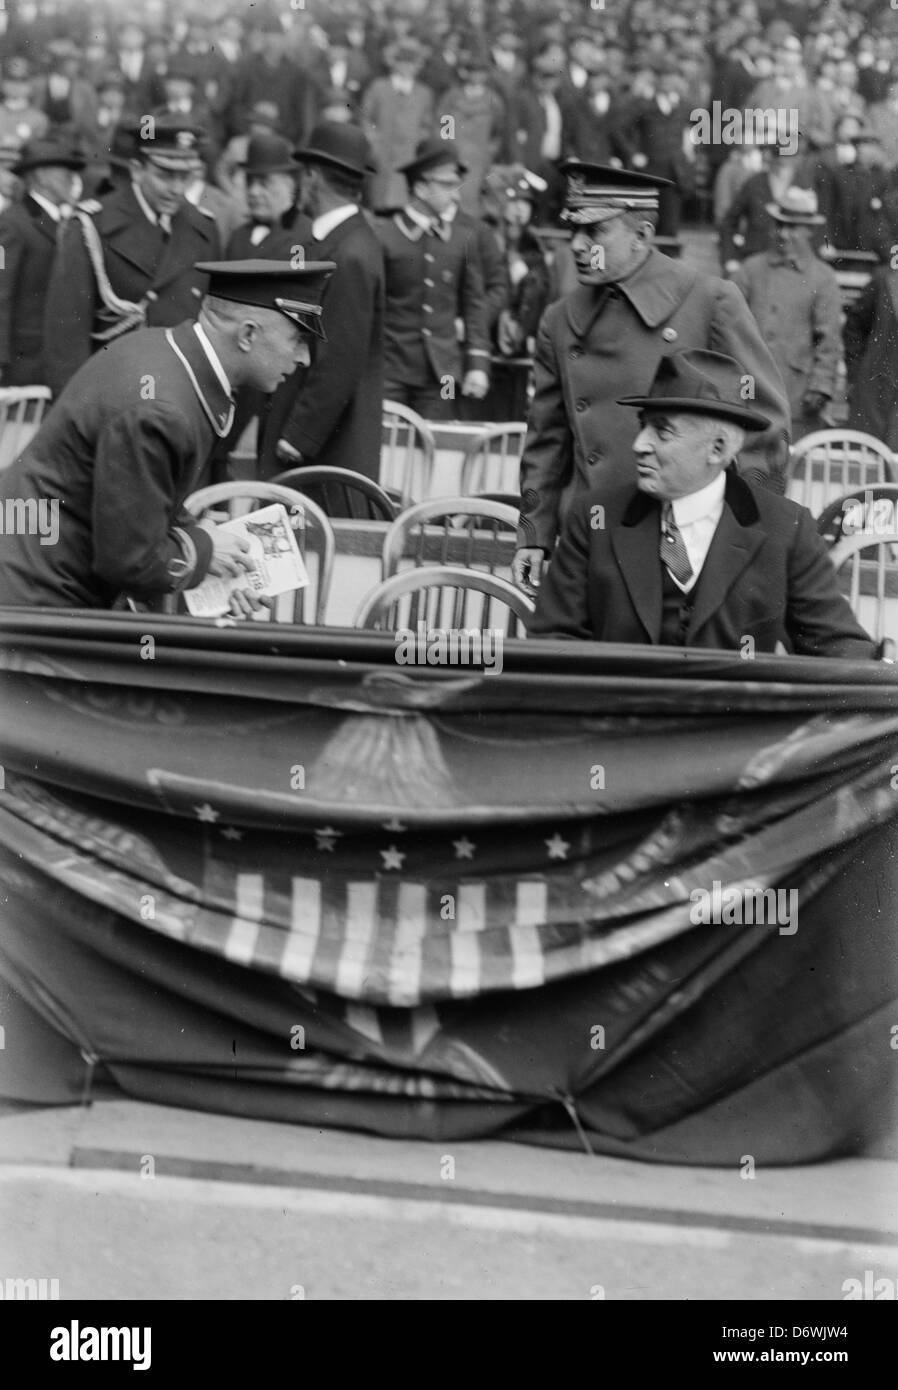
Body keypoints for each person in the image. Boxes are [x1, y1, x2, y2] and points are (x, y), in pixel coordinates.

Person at [514, 162, 791, 592]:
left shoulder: (711, 301)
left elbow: (765, 427)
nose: (577, 245)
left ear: (642, 235)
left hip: (690, 544)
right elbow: (547, 440)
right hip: (593, 540)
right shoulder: (559, 320)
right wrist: (534, 535)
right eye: (573, 231)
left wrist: (750, 532)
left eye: (595, 232)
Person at [0, 259, 334, 614]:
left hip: (40, 576)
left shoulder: (162, 353)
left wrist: (213, 566)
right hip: (34, 603)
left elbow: (141, 503)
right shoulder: (161, 408)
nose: (304, 358)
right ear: (247, 335)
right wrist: (203, 553)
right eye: (298, 339)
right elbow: (128, 561)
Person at [527, 349, 875, 659]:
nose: (639, 445)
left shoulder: (785, 528)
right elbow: (553, 640)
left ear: (719, 449)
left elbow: (837, 646)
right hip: (620, 726)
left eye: (662, 432)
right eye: (643, 427)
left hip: (733, 729)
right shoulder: (595, 518)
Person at [44, 116, 220, 395]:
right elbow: (66, 340)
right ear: (137, 170)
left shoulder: (203, 228)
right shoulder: (92, 228)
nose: (176, 189)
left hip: (177, 397)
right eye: (164, 176)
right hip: (111, 396)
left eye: (184, 177)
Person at [259, 122, 384, 483]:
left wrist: (299, 436)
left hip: (323, 449)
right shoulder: (339, 241)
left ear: (313, 176)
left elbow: (339, 359)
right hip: (317, 442)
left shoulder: (351, 252)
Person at [374, 137, 491, 419]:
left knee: (437, 448)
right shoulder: (385, 236)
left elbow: (474, 305)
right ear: (420, 186)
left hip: (443, 377)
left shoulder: (463, 239)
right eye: (446, 185)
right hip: (390, 373)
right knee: (387, 451)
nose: (455, 195)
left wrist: (477, 364)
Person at [732, 189, 841, 440]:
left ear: (809, 231)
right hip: (749, 388)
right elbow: (727, 322)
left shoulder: (822, 278)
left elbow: (829, 341)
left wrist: (821, 387)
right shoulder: (752, 269)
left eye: (792, 227)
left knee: (791, 459)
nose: (783, 234)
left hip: (796, 390)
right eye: (780, 225)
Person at [0, 137, 85, 387]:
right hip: (24, 363)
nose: (72, 178)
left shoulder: (67, 222)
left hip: (57, 361)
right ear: (41, 176)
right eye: (65, 170)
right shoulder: (12, 223)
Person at [360, 38, 433, 213]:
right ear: (395, 64)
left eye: (411, 64)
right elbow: (365, 118)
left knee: (404, 205)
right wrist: (374, 143)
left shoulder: (423, 93)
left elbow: (427, 124)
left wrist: (417, 145)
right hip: (382, 156)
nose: (407, 68)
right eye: (403, 63)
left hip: (408, 157)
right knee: (379, 204)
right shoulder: (379, 88)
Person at [843, 261, 898, 451]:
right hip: (876, 391)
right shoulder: (885, 280)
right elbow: (854, 329)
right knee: (866, 459)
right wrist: (857, 374)